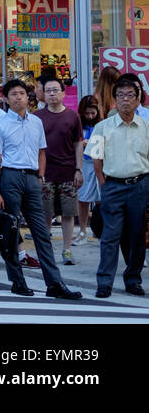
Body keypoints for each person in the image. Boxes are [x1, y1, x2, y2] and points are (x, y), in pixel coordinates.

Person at [0, 78, 83, 300]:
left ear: (28, 97)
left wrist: (40, 176)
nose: (19, 97)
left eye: (22, 93)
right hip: (9, 176)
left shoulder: (36, 122)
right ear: (6, 98)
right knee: (12, 231)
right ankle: (17, 281)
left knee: (42, 232)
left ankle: (55, 283)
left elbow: (42, 151)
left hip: (33, 178)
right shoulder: (0, 125)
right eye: (14, 94)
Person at [90, 74, 149, 298]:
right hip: (112, 186)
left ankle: (133, 279)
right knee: (110, 236)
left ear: (138, 99)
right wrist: (104, 187)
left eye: (130, 95)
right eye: (121, 95)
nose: (126, 99)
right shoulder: (102, 127)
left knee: (136, 236)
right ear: (114, 99)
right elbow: (97, 160)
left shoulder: (146, 127)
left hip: (140, 186)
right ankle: (104, 282)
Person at [37, 75, 82, 266]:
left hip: (67, 172)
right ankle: (46, 250)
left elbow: (78, 144)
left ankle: (67, 249)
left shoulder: (73, 116)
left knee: (68, 213)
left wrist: (79, 169)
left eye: (56, 90)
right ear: (43, 95)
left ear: (63, 92)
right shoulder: (36, 117)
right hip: (45, 173)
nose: (52, 94)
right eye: (48, 91)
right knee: (45, 213)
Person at [76, 95, 102, 245]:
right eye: (87, 113)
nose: (90, 116)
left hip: (99, 164)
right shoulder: (78, 124)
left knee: (100, 200)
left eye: (93, 113)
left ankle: (100, 230)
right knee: (83, 199)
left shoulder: (102, 124)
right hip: (84, 164)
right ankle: (82, 230)